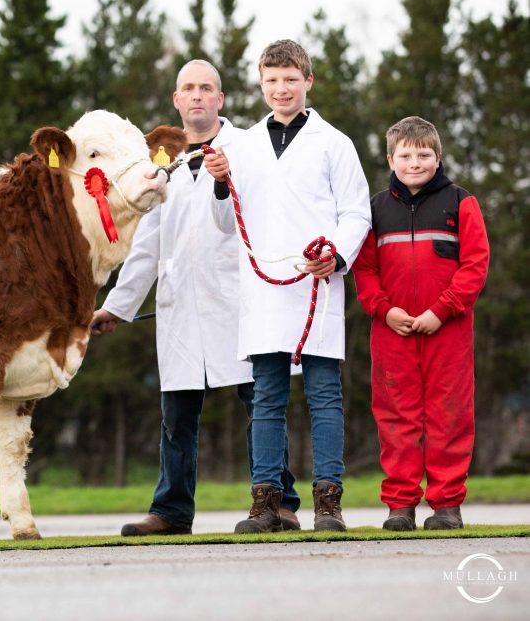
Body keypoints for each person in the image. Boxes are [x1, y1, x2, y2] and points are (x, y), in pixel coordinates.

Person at [91, 59, 301, 537]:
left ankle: (280, 503)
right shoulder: (157, 162)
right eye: (189, 88)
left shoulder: (250, 147)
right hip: (181, 304)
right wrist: (118, 307)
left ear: (221, 99)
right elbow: (147, 243)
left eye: (207, 88)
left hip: (241, 300)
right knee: (177, 416)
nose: (198, 96)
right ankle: (171, 511)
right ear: (176, 100)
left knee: (261, 403)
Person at [204, 39, 371, 533]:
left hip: (316, 283)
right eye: (272, 80)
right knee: (266, 397)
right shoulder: (239, 147)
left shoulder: (333, 143)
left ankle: (328, 503)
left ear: (307, 82)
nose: (281, 88)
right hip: (263, 289)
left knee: (324, 395)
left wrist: (337, 254)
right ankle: (266, 502)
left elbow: (356, 211)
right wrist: (219, 183)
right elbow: (223, 223)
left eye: (290, 79)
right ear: (261, 83)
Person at [352, 116, 489, 531]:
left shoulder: (461, 202)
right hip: (392, 330)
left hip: (447, 330)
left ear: (438, 157)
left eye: (424, 155)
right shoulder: (373, 209)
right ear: (391, 158)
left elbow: (475, 265)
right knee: (396, 417)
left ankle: (447, 505)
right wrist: (384, 309)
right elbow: (364, 269)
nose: (415, 163)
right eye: (406, 155)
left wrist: (441, 310)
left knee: (450, 414)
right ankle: (400, 505)